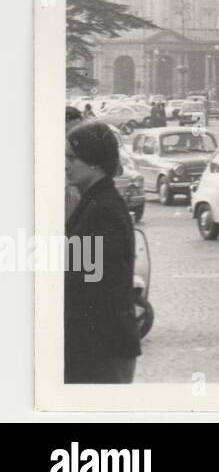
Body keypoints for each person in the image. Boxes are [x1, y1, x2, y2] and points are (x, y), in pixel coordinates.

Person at [64, 120, 140, 383]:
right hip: (99, 345)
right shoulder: (95, 202)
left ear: (94, 161)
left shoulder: (101, 210)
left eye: (72, 157)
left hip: (100, 349)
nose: (65, 164)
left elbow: (85, 277)